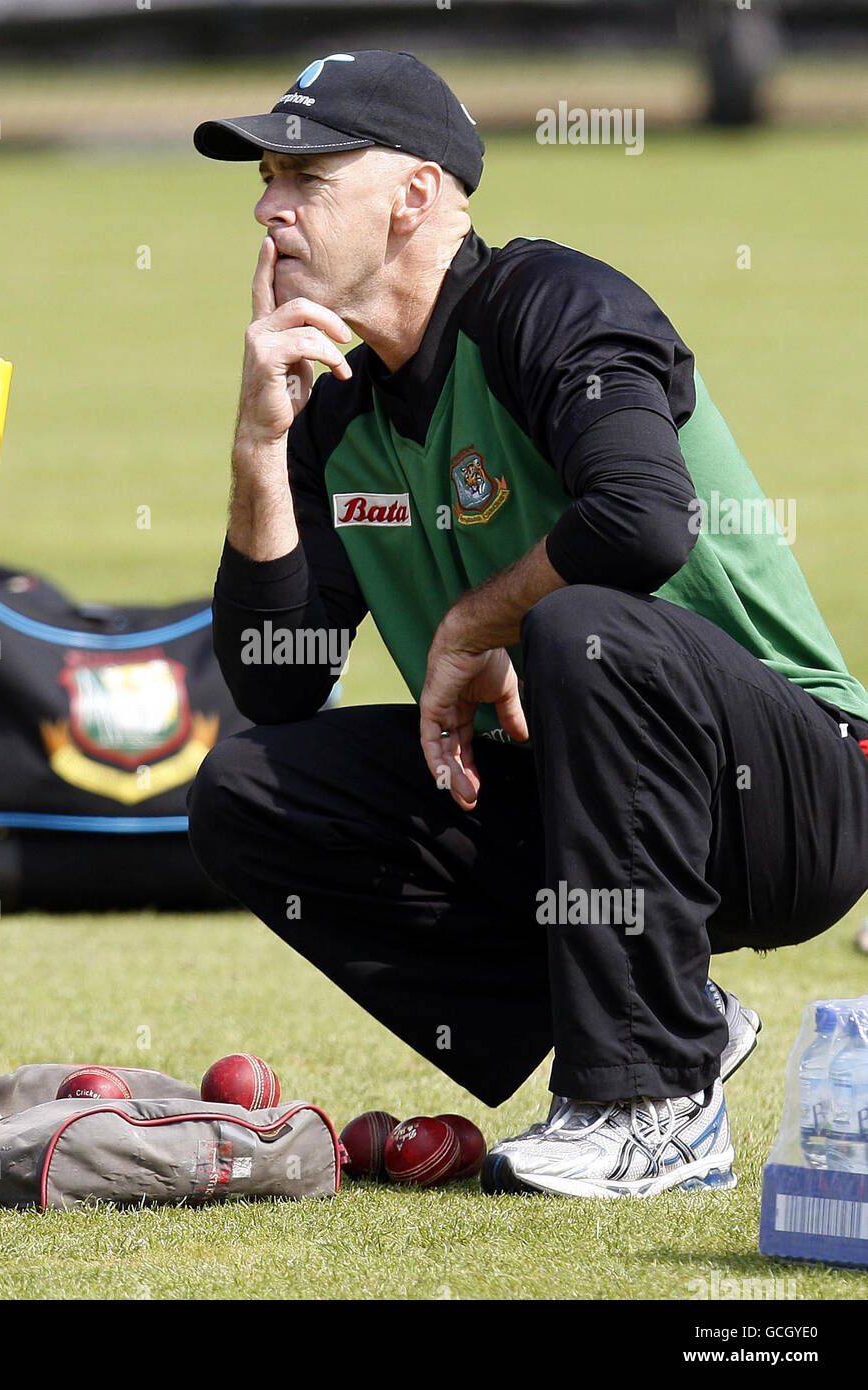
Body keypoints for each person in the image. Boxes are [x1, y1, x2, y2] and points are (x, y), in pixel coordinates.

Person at [186, 50, 868, 1197]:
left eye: (304, 174)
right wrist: (259, 445)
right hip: (577, 810)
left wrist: (471, 622)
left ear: (413, 195)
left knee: (581, 627)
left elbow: (645, 523)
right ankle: (666, 1008)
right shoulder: (334, 410)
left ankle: (655, 1095)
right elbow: (277, 677)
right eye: (266, 175)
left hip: (792, 797)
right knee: (247, 792)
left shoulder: (552, 302)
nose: (267, 205)